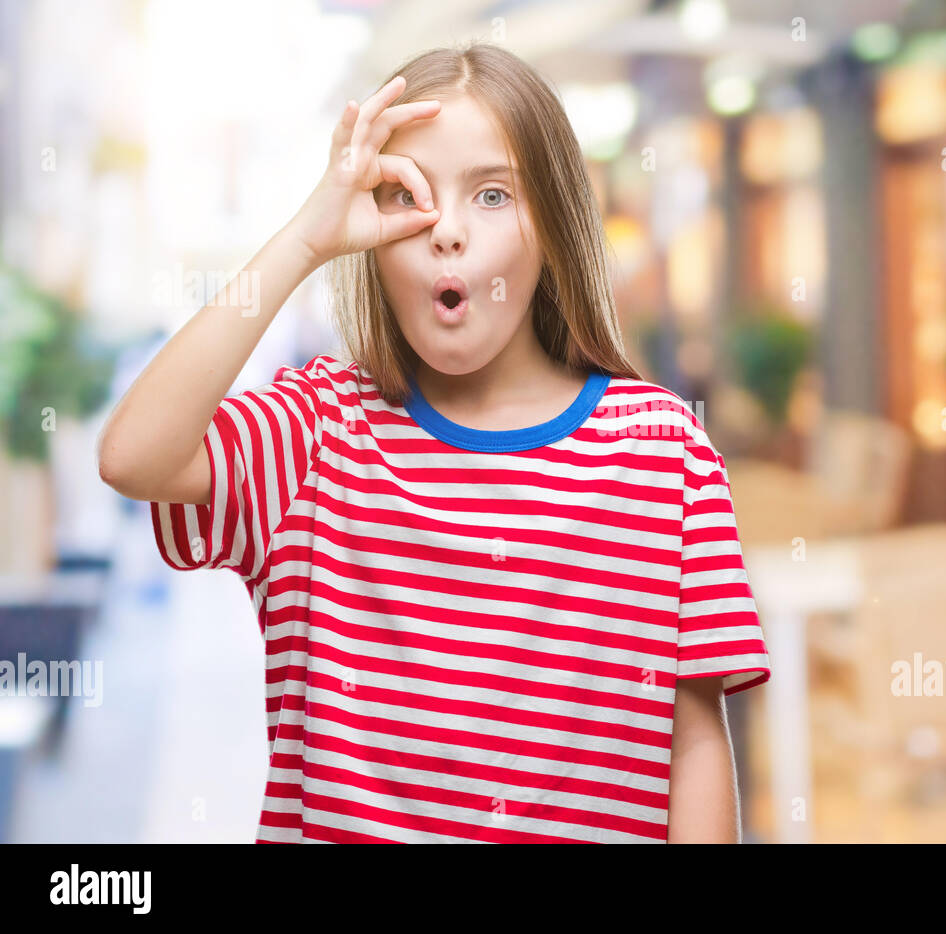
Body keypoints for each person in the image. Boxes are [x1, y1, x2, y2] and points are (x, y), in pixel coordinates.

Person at [96, 42, 770, 844]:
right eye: (405, 195)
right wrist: (305, 239)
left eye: (491, 194)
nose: (446, 230)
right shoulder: (316, 435)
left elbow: (694, 743)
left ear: (552, 228)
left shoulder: (664, 451)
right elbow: (133, 454)